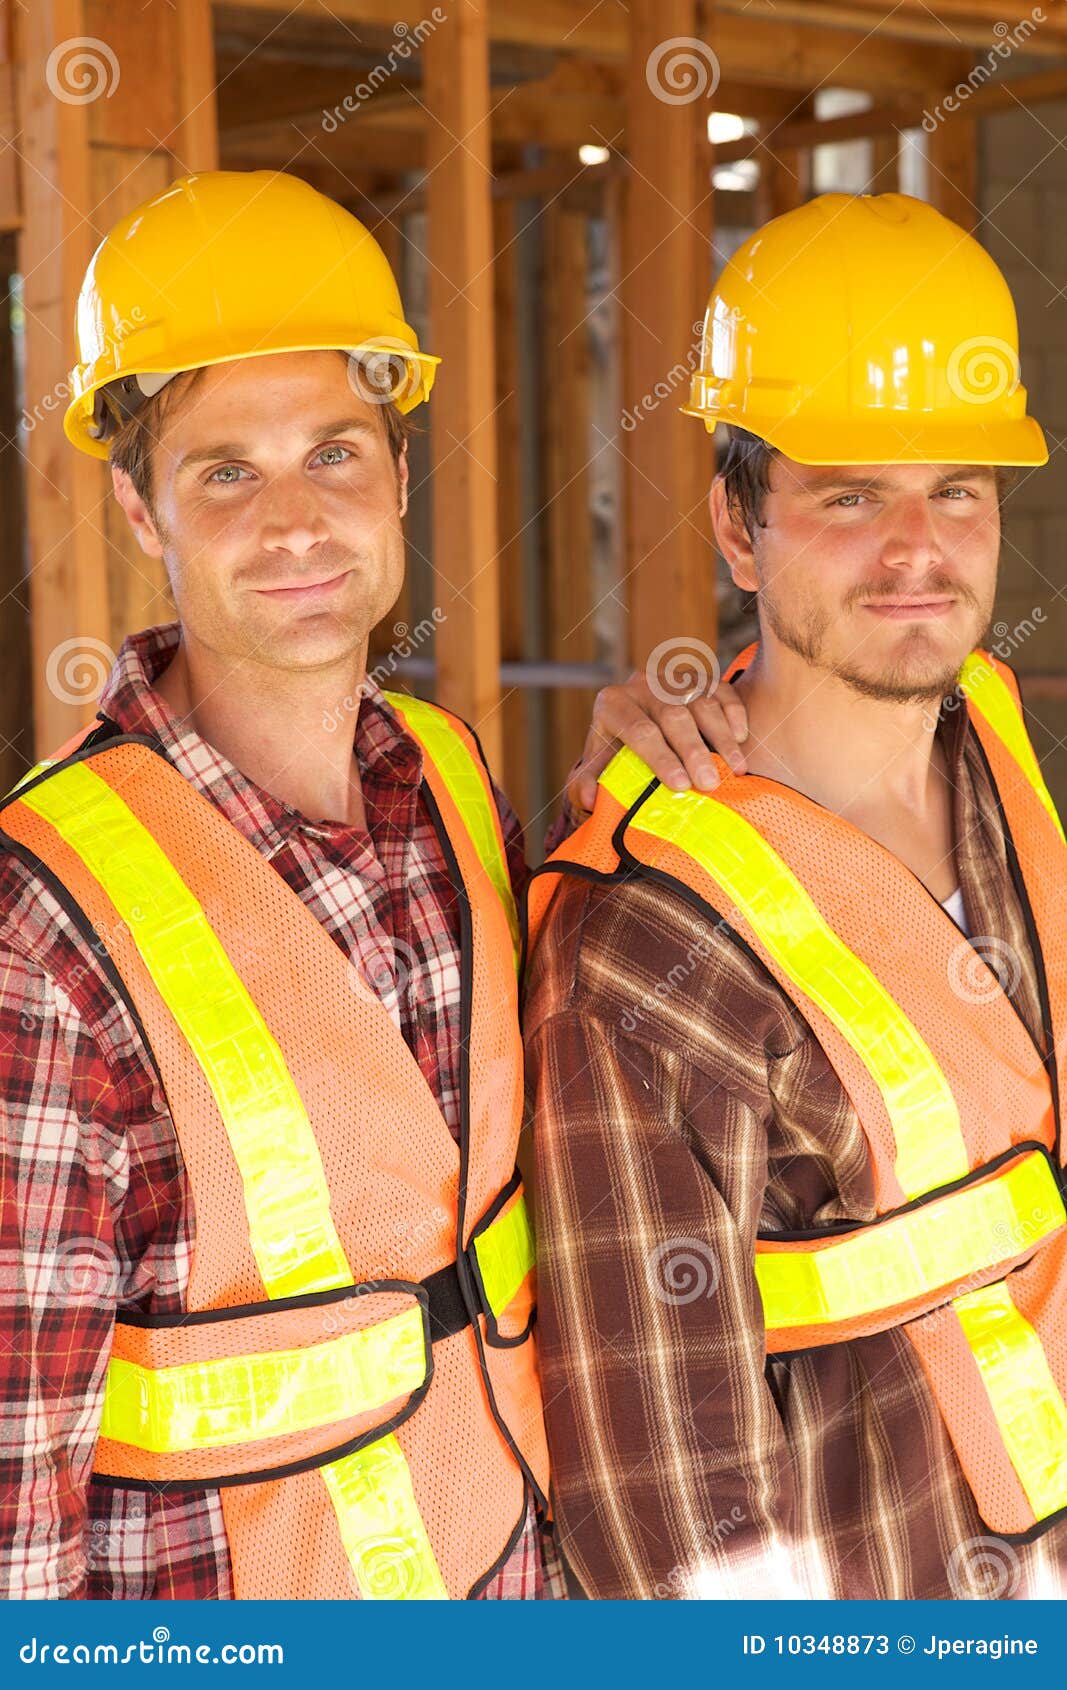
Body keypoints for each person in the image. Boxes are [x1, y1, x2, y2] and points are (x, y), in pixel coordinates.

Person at [0, 168, 742, 1600]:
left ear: (399, 475)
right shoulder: (43, 916)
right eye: (227, 471)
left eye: (333, 452)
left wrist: (619, 803)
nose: (297, 521)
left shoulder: (447, 773)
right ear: (141, 511)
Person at [524, 190, 1067, 1601]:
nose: (917, 548)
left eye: (957, 488)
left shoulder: (996, 739)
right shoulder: (644, 940)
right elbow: (674, 1515)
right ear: (738, 523)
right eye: (849, 494)